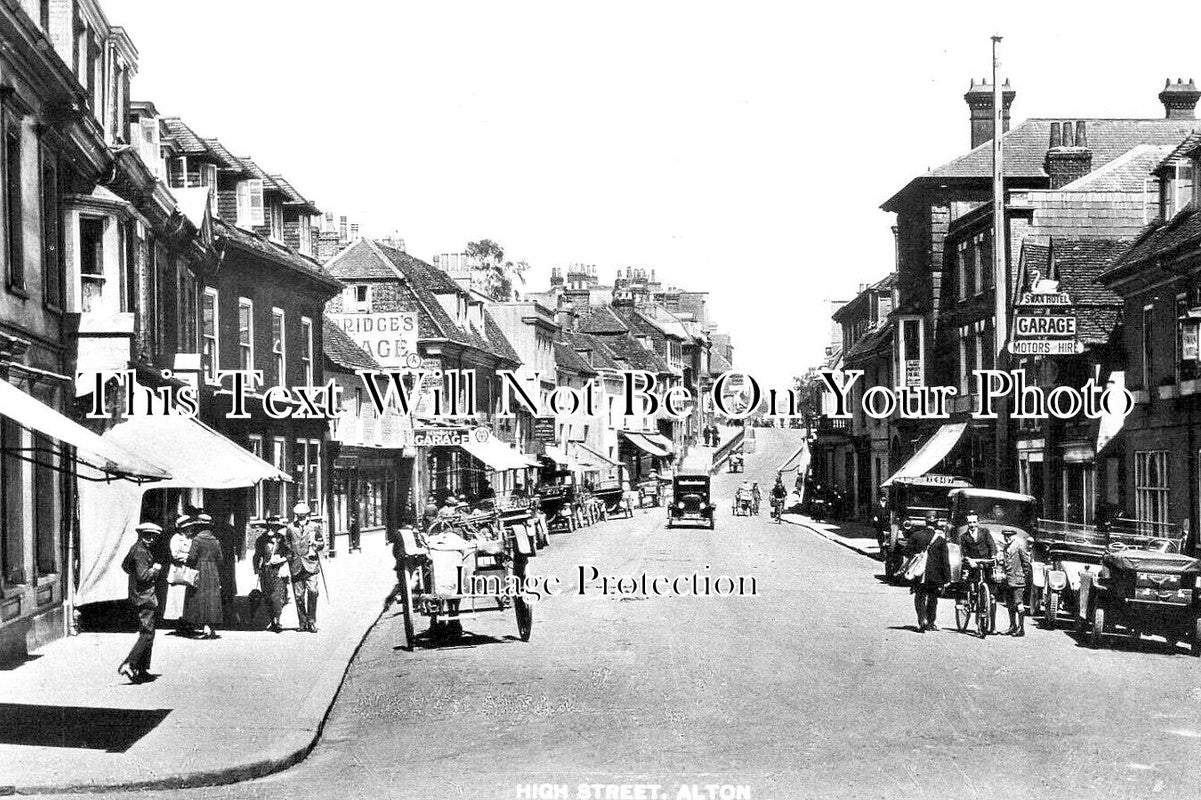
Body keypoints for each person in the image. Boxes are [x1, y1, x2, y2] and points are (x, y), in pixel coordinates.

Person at [118, 522, 164, 683]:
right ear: (141, 535)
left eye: (153, 536)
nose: (150, 539)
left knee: (148, 632)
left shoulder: (135, 548)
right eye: (147, 535)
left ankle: (142, 669)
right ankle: (130, 663)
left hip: (138, 595)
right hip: (145, 597)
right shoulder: (141, 552)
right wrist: (155, 570)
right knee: (147, 633)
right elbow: (144, 576)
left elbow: (125, 566)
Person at [906, 512, 951, 633]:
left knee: (919, 596)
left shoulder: (916, 535)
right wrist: (947, 579)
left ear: (925, 522)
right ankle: (931, 622)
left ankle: (922, 619)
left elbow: (907, 552)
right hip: (934, 575)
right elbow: (945, 561)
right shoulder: (940, 540)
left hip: (919, 573)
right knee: (933, 598)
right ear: (936, 523)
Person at [285, 502, 325, 633]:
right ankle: (302, 622)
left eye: (303, 515)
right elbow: (286, 544)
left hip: (311, 564)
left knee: (313, 591)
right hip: (296, 564)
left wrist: (315, 544)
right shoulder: (290, 528)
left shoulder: (315, 526)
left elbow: (322, 543)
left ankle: (311, 621)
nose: (301, 517)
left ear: (307, 514)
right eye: (298, 515)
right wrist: (290, 556)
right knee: (298, 596)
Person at [184, 514, 224, 639]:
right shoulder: (215, 541)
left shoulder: (197, 540)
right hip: (213, 571)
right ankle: (211, 628)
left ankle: (204, 627)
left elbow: (191, 557)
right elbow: (221, 559)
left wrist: (188, 562)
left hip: (199, 569)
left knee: (199, 597)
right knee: (212, 599)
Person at [252, 518, 289, 632]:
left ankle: (278, 621)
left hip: (278, 571)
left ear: (278, 528)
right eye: (270, 527)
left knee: (277, 597)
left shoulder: (282, 540)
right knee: (267, 597)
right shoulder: (261, 540)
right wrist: (256, 569)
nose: (272, 530)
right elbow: (257, 556)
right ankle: (272, 620)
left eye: (275, 527)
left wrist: (281, 560)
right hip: (265, 571)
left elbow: (289, 554)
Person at [162, 514, 195, 636]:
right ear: (183, 529)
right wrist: (189, 557)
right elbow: (175, 555)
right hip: (179, 570)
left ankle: (186, 623)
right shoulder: (176, 539)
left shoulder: (191, 539)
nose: (191, 529)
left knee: (187, 598)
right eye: (189, 527)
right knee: (178, 599)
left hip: (188, 570)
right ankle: (180, 624)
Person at [999, 528, 1032, 637]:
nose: (1007, 538)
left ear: (1014, 536)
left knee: (1019, 604)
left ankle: (1021, 628)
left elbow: (1026, 563)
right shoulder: (1005, 548)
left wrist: (1023, 576)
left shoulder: (1019, 547)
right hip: (1007, 580)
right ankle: (1012, 625)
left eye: (1009, 536)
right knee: (1009, 604)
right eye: (1005, 536)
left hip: (1017, 580)